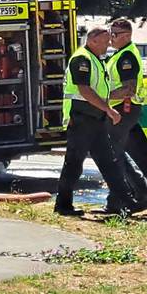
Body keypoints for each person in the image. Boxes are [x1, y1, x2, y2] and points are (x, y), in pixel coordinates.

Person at [56, 26, 138, 216]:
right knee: (74, 163)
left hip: (95, 119)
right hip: (82, 118)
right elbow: (84, 90)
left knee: (108, 161)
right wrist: (108, 109)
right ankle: (63, 205)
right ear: (92, 41)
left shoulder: (96, 60)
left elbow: (100, 90)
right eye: (105, 41)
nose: (108, 45)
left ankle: (127, 203)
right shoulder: (82, 59)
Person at [105, 19, 147, 214]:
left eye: (114, 35)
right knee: (113, 152)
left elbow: (129, 88)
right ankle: (135, 191)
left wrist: (103, 97)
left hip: (123, 108)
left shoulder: (126, 57)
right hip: (122, 109)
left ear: (126, 36)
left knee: (111, 153)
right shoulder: (120, 54)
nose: (111, 38)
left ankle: (133, 192)